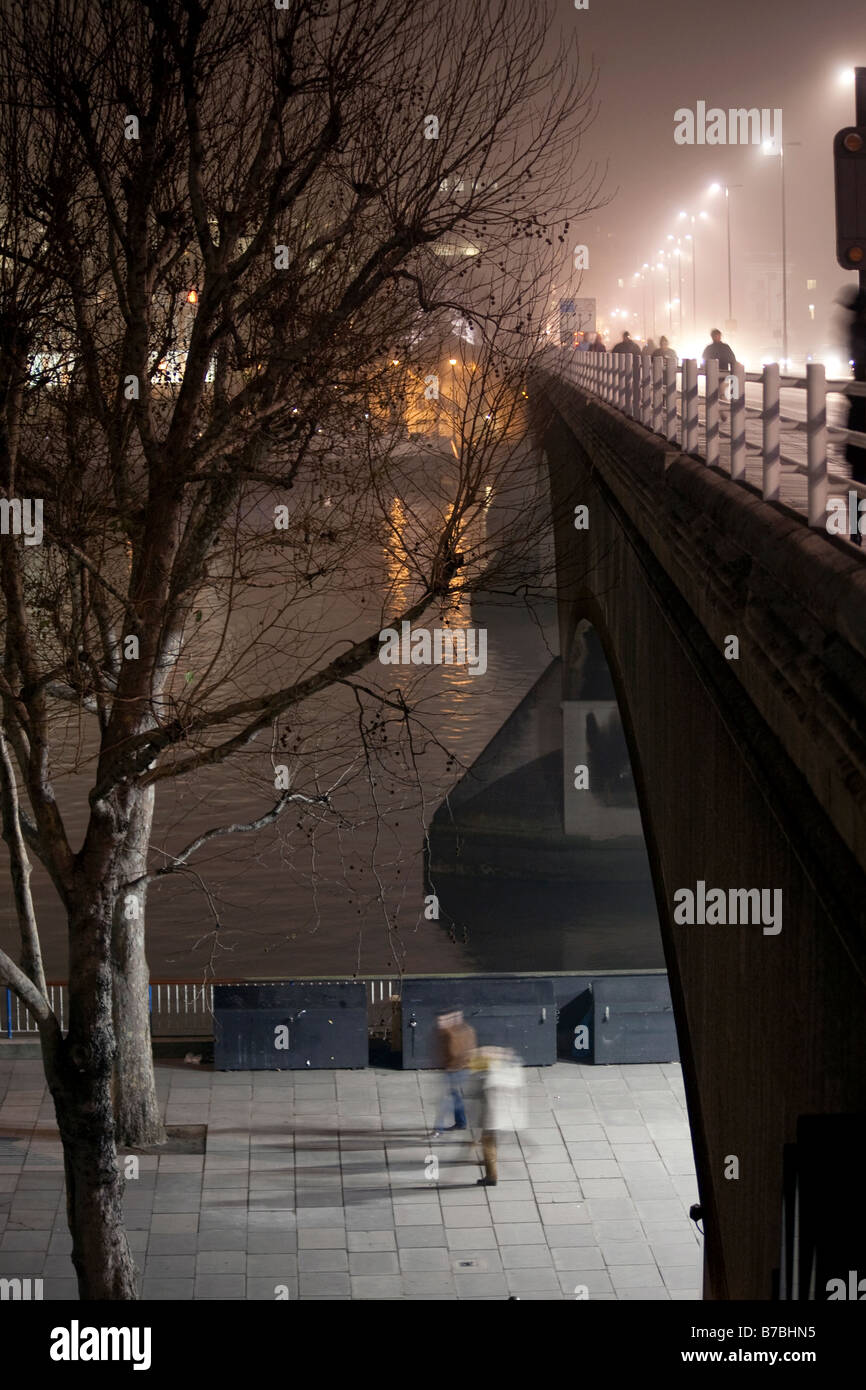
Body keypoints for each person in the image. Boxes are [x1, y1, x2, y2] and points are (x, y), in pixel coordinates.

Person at [471, 1045, 527, 1186]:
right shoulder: (512, 1071)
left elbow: (484, 1091)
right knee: (491, 1141)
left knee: (488, 1142)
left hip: (494, 1116)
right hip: (505, 1115)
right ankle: (489, 1162)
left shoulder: (495, 1074)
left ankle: (491, 1176)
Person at [842, 288, 866, 545]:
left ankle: (856, 531)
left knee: (857, 478)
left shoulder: (854, 331)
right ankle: (856, 529)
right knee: (858, 477)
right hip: (860, 411)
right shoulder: (856, 331)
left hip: (859, 411)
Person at [430, 1011, 476, 1137]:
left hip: (456, 1070)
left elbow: (459, 1053)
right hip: (454, 1069)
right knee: (456, 1097)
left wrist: (451, 1067)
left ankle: (438, 1129)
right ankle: (461, 1122)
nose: (440, 1023)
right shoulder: (447, 1032)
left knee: (445, 1101)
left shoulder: (457, 1033)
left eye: (443, 1020)